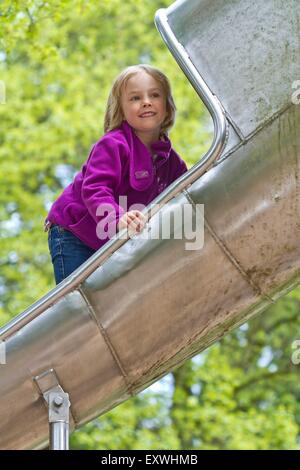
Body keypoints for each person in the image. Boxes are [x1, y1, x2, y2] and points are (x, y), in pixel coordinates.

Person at [44, 64, 188, 285]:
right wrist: (116, 218)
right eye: (135, 98)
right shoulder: (113, 145)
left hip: (110, 239)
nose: (146, 101)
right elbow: (95, 188)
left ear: (167, 107)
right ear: (121, 110)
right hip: (74, 233)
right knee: (76, 300)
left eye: (155, 95)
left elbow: (183, 193)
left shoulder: (171, 161)